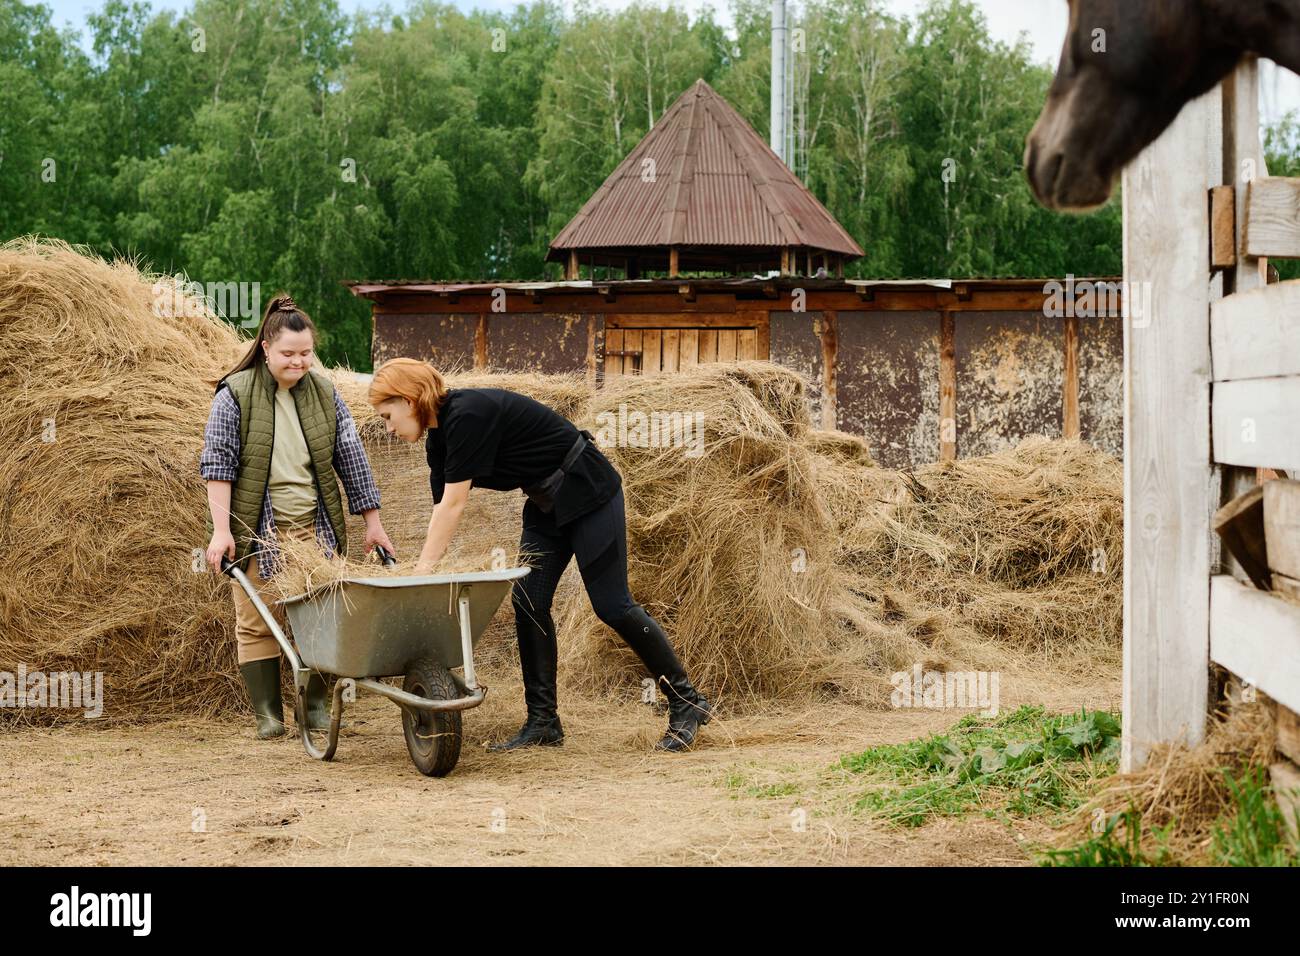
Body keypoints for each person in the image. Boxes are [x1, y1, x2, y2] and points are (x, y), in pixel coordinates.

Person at [367, 357, 710, 752]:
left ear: (410, 400)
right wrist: (426, 567)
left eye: (387, 415)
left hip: (588, 489)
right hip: (546, 502)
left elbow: (454, 506)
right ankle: (543, 722)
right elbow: (440, 508)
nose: (388, 428)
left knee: (612, 605)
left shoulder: (467, 414)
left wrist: (422, 571)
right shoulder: (439, 440)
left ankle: (687, 702)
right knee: (529, 602)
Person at [200, 294, 395, 738]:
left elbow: (351, 457)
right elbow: (218, 465)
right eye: (289, 353)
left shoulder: (325, 393)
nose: (299, 361)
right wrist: (220, 531)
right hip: (258, 531)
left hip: (314, 529)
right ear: (266, 348)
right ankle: (268, 715)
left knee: (324, 619)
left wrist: (372, 521)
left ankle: (317, 708)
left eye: (306, 353)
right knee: (256, 621)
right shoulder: (234, 395)